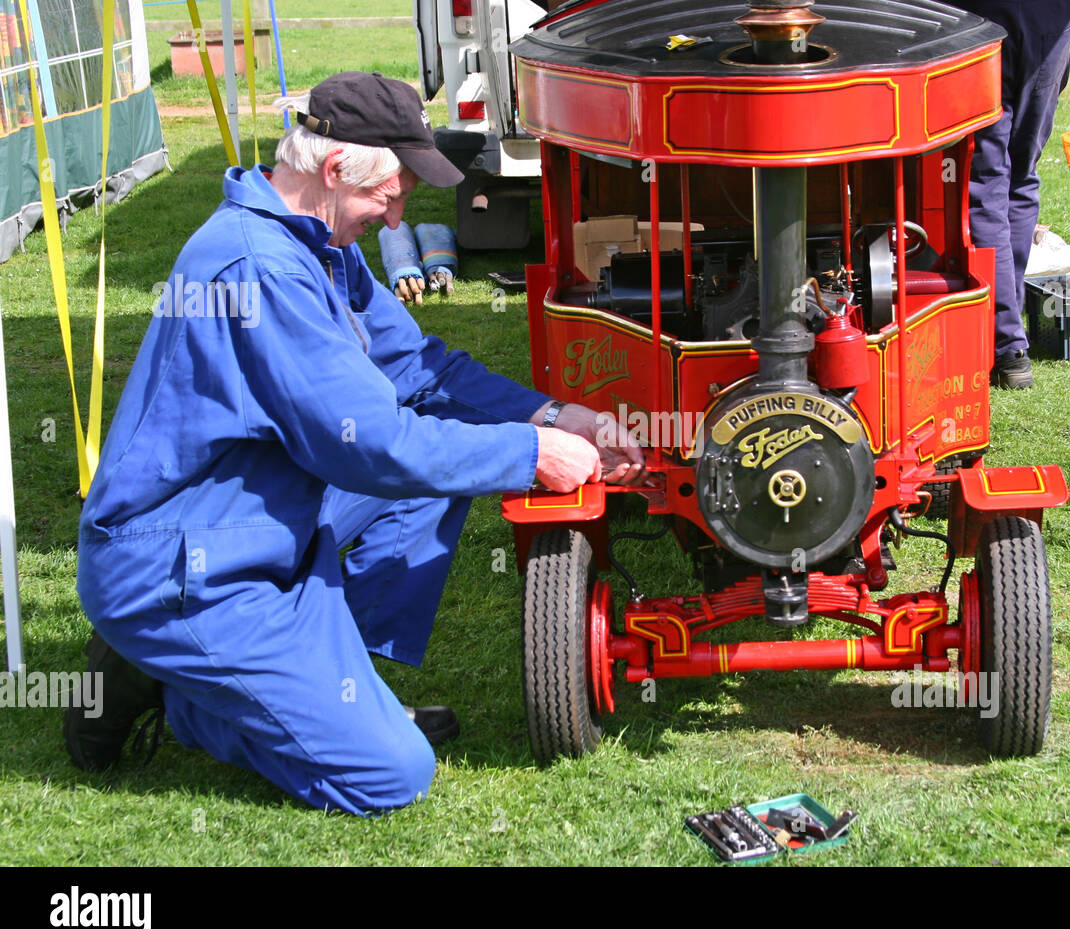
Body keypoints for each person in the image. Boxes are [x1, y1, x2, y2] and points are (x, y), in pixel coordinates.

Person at [63, 72, 644, 816]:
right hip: (185, 564)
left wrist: (556, 415)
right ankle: (180, 692)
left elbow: (421, 369)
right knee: (391, 774)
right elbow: (372, 448)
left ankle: (326, 687)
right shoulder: (262, 268)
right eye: (392, 193)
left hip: (258, 514)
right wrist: (529, 458)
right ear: (334, 170)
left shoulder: (315, 239)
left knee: (448, 458)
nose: (400, 213)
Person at [948, 0, 1070, 389]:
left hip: (972, 23)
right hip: (1044, 26)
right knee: (1016, 179)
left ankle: (1006, 343)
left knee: (987, 183)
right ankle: (1009, 340)